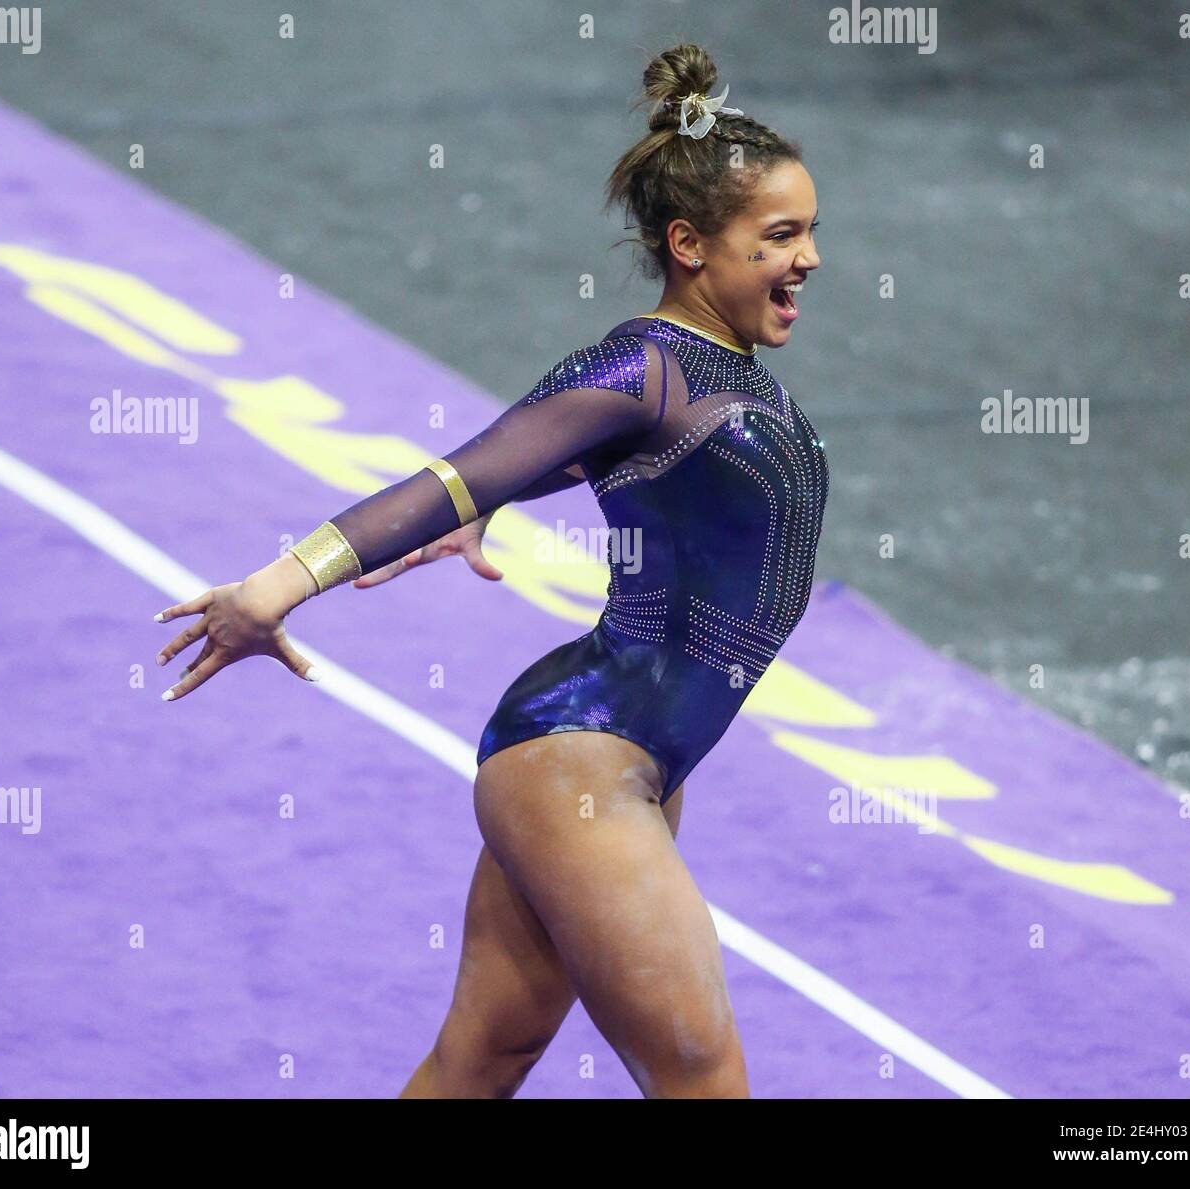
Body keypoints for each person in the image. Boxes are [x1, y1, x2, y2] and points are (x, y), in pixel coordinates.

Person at [153, 43, 827, 1099]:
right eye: (780, 235)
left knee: (484, 1058)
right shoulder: (644, 364)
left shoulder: (719, 373)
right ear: (690, 244)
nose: (811, 258)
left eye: (811, 232)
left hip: (643, 760)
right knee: (703, 1078)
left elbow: (577, 474)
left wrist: (500, 501)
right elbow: (457, 473)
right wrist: (276, 586)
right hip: (580, 762)